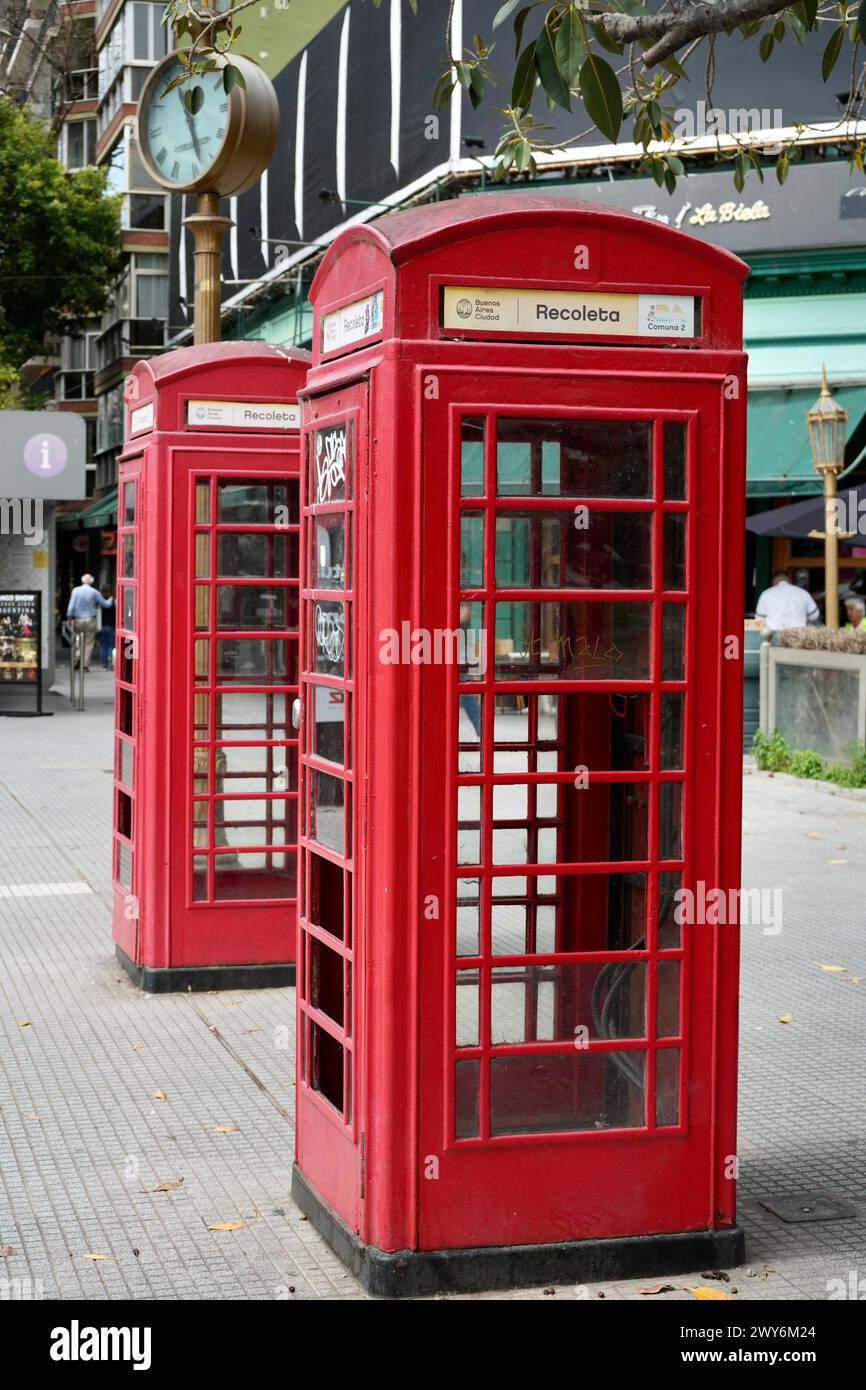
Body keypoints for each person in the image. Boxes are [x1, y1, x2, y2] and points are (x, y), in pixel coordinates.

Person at [66, 573, 114, 671]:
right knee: (89, 642)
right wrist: (110, 600)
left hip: (78, 619)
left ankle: (77, 657)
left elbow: (71, 607)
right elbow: (105, 604)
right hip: (90, 619)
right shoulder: (94, 592)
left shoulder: (75, 591)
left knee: (78, 640)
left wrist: (69, 618)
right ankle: (85, 664)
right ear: (91, 581)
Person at [755, 570, 821, 633]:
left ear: (774, 582)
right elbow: (814, 616)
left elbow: (759, 619)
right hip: (798, 635)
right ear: (789, 581)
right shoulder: (803, 593)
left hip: (773, 635)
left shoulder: (766, 594)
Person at [97, 584, 116, 669]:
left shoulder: (99, 602)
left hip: (101, 625)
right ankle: (111, 662)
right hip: (111, 625)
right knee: (111, 645)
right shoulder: (112, 601)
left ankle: (104, 664)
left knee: (103, 645)